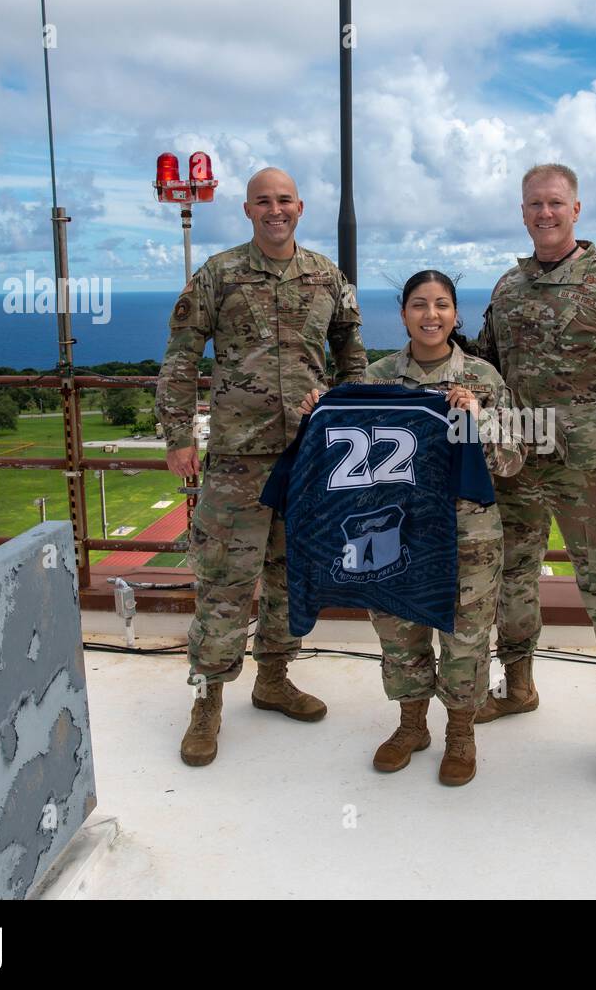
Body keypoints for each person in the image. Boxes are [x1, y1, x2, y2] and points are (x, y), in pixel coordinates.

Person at [156, 166, 367, 767]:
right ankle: (207, 702)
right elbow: (178, 357)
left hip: (307, 455)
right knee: (224, 583)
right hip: (236, 459)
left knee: (288, 575)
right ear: (247, 210)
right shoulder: (218, 274)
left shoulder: (328, 276)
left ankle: (272, 679)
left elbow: (352, 357)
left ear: (300, 207)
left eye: (284, 200)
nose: (275, 210)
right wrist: (177, 434)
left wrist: (349, 431)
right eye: (262, 202)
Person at [476, 163, 596, 786]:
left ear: (577, 209)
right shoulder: (507, 289)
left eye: (555, 203)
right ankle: (518, 685)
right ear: (523, 211)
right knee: (512, 578)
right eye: (534, 204)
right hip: (517, 465)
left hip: (585, 468)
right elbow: (487, 365)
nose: (545, 213)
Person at [299, 271, 524, 786]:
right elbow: (339, 440)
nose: (430, 315)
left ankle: (461, 732)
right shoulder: (375, 380)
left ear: (455, 314)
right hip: (390, 530)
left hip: (468, 534)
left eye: (441, 305)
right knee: (398, 629)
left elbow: (512, 460)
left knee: (465, 638)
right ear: (402, 314)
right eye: (419, 305)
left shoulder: (483, 379)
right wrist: (317, 410)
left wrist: (475, 419)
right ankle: (411, 724)